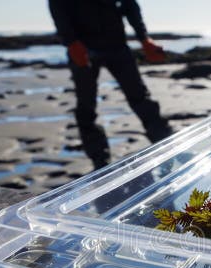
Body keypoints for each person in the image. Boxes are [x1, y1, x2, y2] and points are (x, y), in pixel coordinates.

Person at [49, 0, 173, 170]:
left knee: (140, 97)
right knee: (86, 105)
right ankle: (100, 162)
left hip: (117, 45)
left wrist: (144, 39)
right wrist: (71, 42)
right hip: (83, 47)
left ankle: (166, 146)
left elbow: (129, 5)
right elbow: (57, 6)